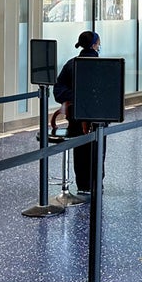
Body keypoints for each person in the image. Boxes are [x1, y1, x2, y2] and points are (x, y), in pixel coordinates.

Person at [54, 29, 101, 194]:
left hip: (75, 118)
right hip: (97, 118)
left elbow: (58, 91)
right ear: (95, 45)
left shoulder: (70, 64)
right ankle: (95, 185)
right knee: (97, 150)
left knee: (80, 152)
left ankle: (82, 186)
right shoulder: (103, 65)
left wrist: (74, 98)